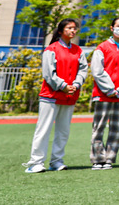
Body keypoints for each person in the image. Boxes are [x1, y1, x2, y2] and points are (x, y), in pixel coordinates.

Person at [25, 18, 87, 173]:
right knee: (43, 129)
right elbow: (48, 73)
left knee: (63, 131)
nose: (73, 31)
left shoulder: (78, 50)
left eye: (75, 28)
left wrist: (76, 84)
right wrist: (63, 86)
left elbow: (83, 70)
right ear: (60, 31)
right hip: (50, 95)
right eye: (69, 28)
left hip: (69, 96)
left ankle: (56, 161)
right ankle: (35, 162)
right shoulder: (51, 49)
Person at [90, 17, 119, 169]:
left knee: (116, 128)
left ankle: (109, 158)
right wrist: (109, 89)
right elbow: (97, 71)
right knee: (99, 127)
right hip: (103, 94)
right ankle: (98, 158)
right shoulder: (102, 48)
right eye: (118, 26)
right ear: (112, 28)